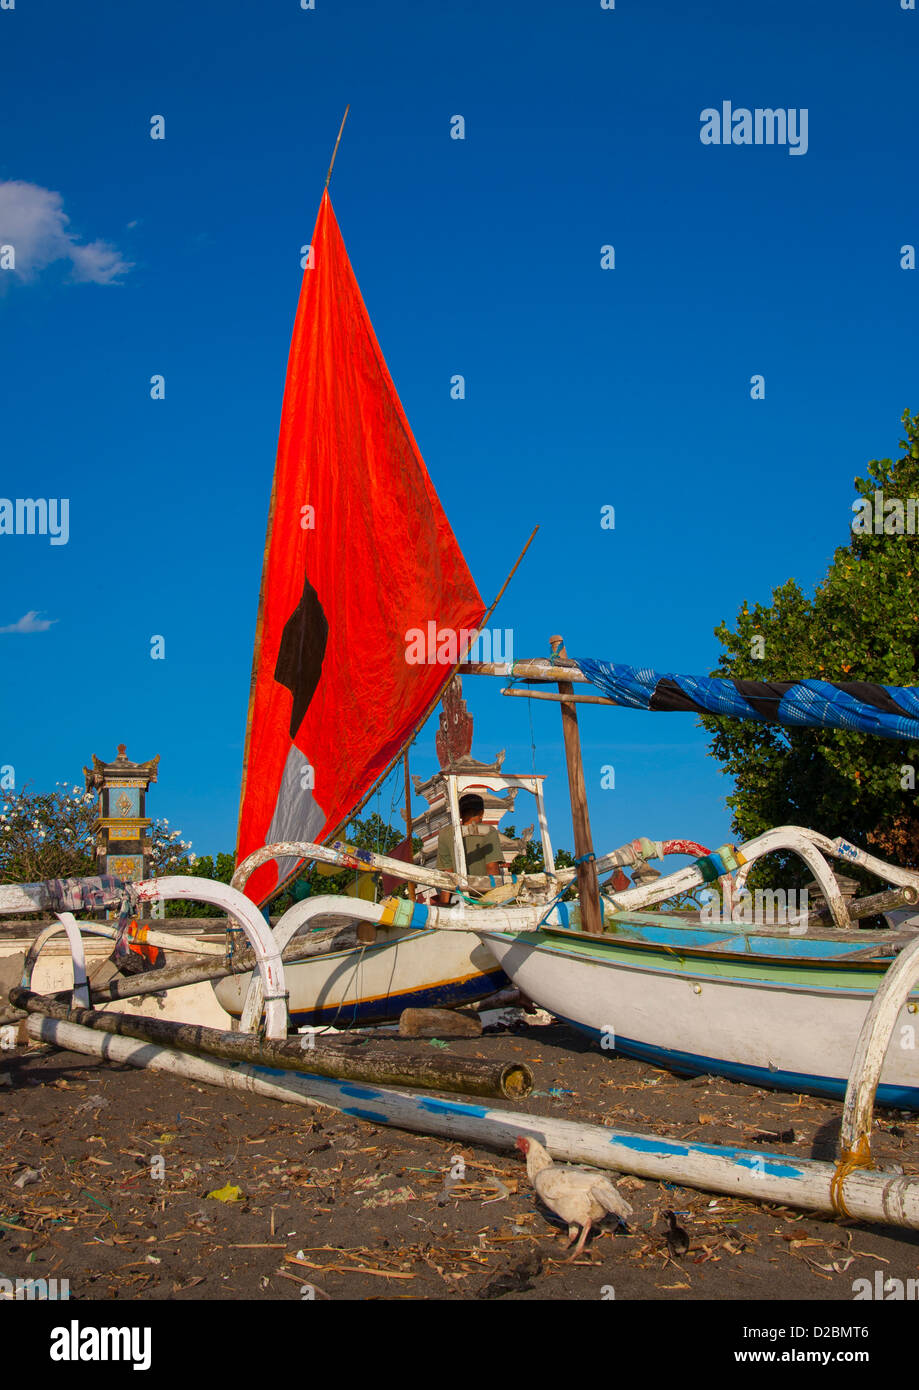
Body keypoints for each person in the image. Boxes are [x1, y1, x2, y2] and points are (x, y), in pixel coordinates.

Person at [436, 792, 503, 905]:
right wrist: (496, 901)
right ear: (482, 813)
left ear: (460, 814)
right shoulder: (489, 831)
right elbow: (492, 868)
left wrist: (444, 905)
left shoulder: (445, 834)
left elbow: (448, 873)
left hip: (457, 899)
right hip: (483, 898)